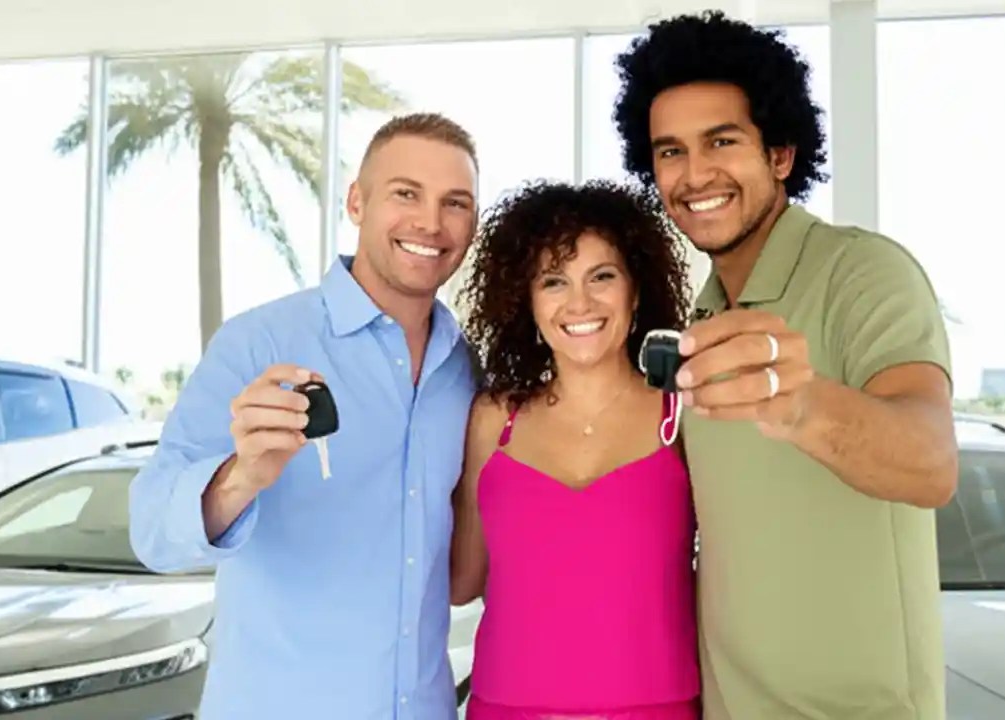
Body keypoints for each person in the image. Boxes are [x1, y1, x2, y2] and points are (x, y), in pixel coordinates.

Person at [612, 11, 959, 720]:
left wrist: (800, 405)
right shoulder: (697, 318)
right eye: (670, 151)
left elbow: (931, 465)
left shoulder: (864, 271)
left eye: (722, 141)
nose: (694, 173)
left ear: (780, 154)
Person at [128, 112, 481, 720]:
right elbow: (152, 534)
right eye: (406, 193)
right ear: (356, 201)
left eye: (455, 203)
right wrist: (241, 475)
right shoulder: (258, 344)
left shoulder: (468, 373)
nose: (430, 222)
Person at [449, 179, 698, 720]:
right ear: (527, 301)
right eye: (554, 281)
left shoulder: (683, 416)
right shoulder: (494, 417)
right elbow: (462, 579)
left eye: (602, 276)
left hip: (659, 708)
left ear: (637, 291)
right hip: (506, 706)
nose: (579, 302)